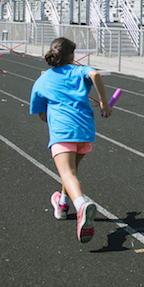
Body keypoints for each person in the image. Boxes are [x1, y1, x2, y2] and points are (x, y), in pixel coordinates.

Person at [30, 36, 113, 243]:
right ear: (71, 55)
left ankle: (81, 205)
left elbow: (41, 114)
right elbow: (95, 74)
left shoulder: (43, 80)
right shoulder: (79, 71)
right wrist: (104, 102)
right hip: (85, 131)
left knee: (67, 173)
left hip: (62, 133)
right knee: (71, 173)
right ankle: (62, 204)